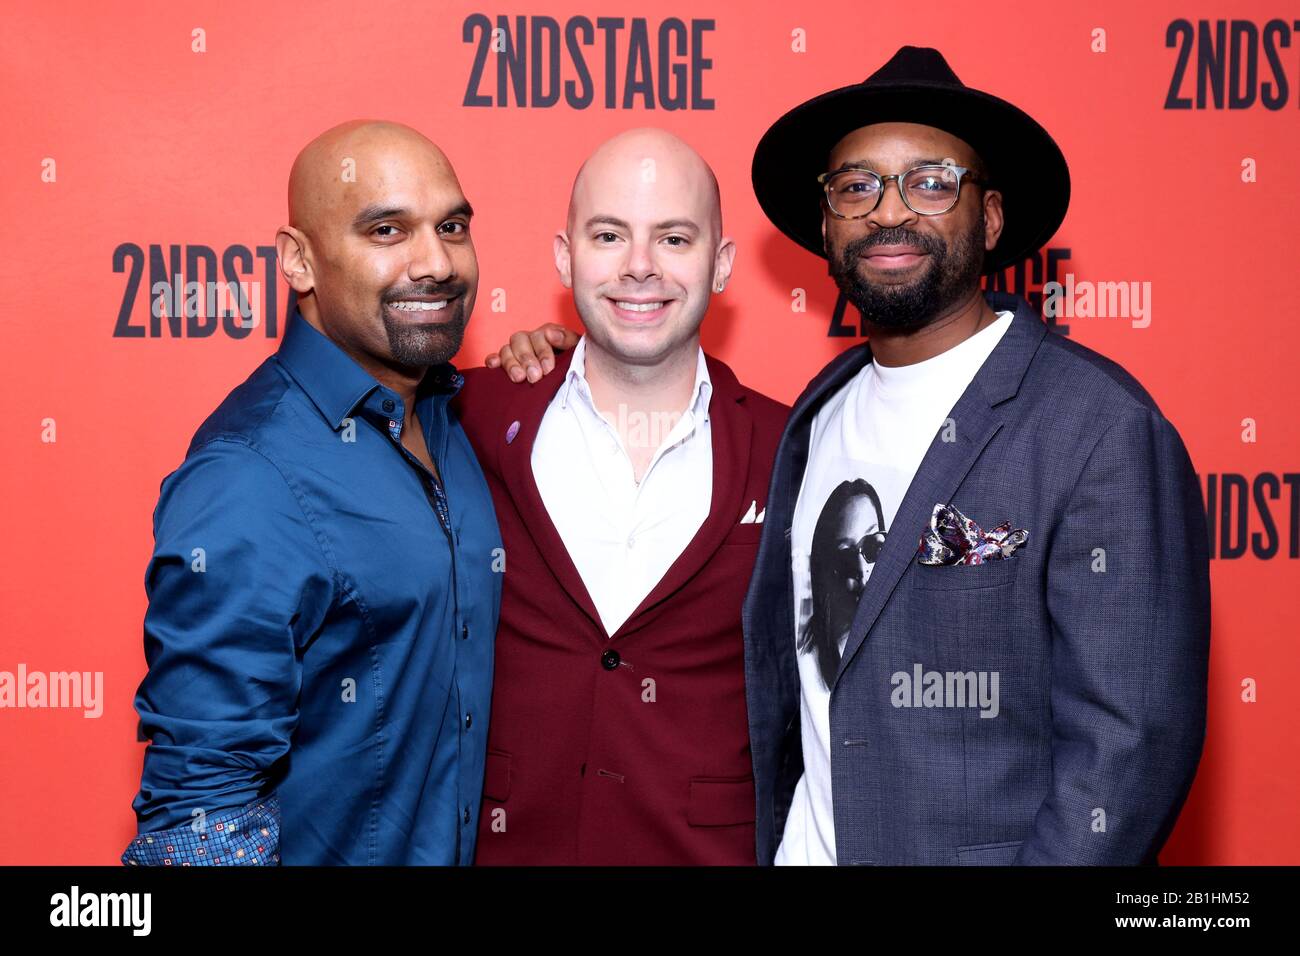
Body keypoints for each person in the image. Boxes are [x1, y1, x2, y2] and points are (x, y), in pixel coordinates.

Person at [742, 45, 1211, 865]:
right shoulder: (818, 414)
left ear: (989, 218)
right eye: (857, 186)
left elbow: (1130, 749)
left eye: (931, 182)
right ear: (825, 224)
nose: (888, 212)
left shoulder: (1099, 427)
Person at [122, 120, 502, 865]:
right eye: (387, 230)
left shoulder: (456, 418)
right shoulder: (247, 476)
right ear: (299, 260)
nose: (436, 263)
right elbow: (202, 818)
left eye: (451, 226)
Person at [454, 128, 789, 864]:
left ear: (722, 264)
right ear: (564, 255)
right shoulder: (474, 415)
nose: (640, 268)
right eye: (610, 235)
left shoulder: (792, 446)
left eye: (674, 238)